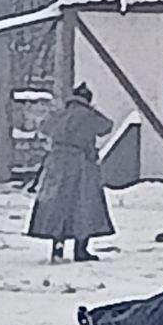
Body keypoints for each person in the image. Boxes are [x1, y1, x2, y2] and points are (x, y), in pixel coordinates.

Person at [28, 83, 115, 262]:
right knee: (84, 206)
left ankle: (57, 248)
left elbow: (44, 127)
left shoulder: (59, 114)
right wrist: (92, 110)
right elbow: (106, 126)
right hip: (81, 163)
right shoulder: (88, 115)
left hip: (57, 164)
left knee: (58, 206)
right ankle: (81, 250)